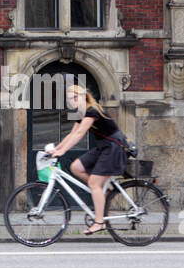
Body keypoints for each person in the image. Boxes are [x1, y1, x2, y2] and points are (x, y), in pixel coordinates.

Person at [45, 85, 127, 235]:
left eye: (75, 97)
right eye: (70, 99)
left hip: (114, 146)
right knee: (76, 167)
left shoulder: (92, 111)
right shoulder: (81, 113)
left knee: (94, 183)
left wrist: (62, 151)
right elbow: (72, 133)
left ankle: (99, 222)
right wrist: (57, 149)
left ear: (83, 97)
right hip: (103, 146)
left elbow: (80, 134)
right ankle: (104, 191)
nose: (73, 101)